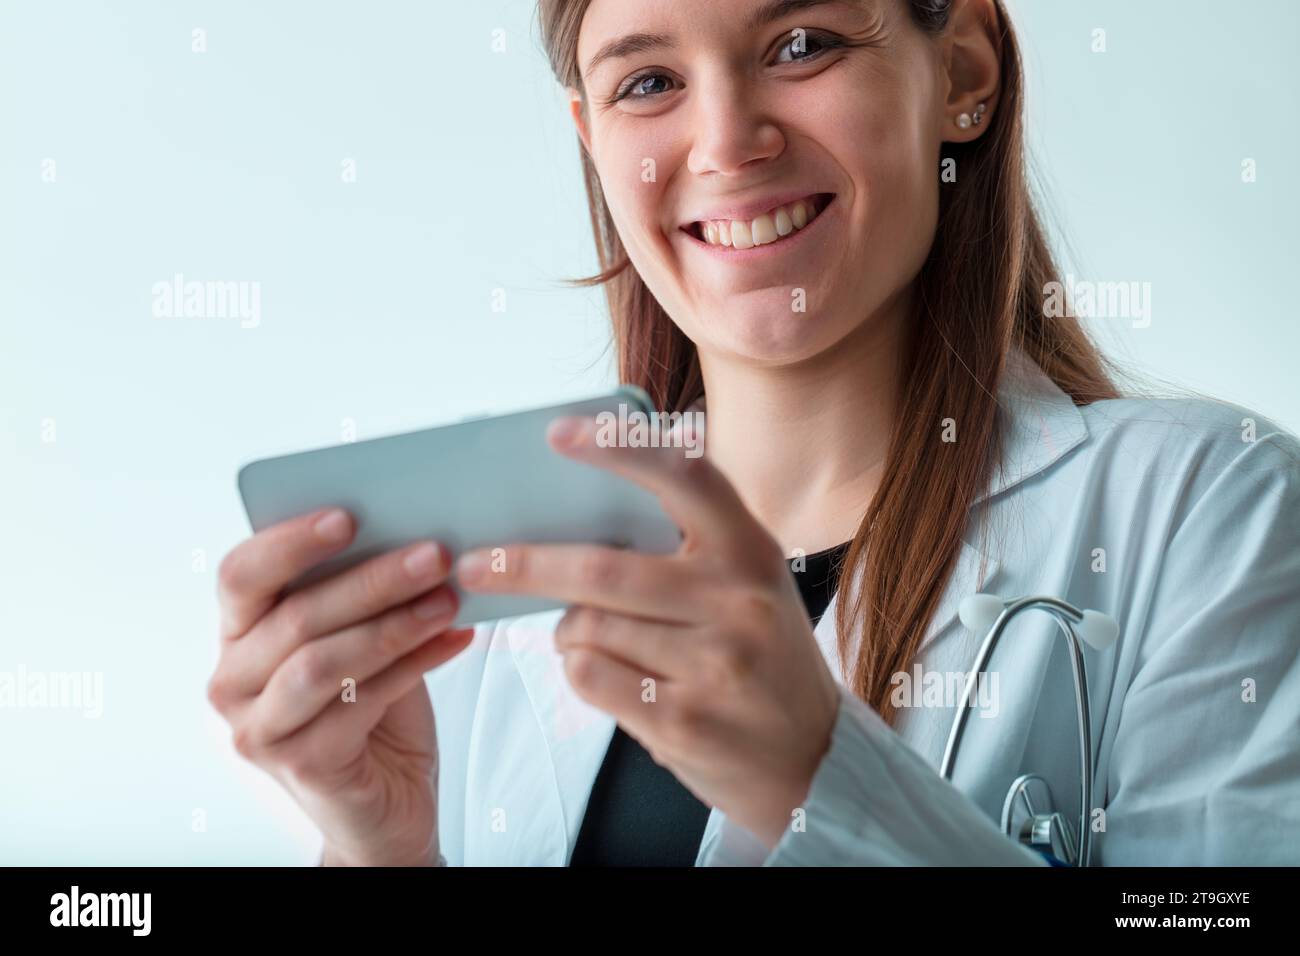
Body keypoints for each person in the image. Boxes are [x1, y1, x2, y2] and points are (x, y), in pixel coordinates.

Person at [206, 0, 1300, 866]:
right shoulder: (494, 596)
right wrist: (381, 850)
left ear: (963, 70)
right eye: (648, 81)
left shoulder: (1205, 507)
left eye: (801, 42)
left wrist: (816, 773)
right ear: (591, 137)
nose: (727, 142)